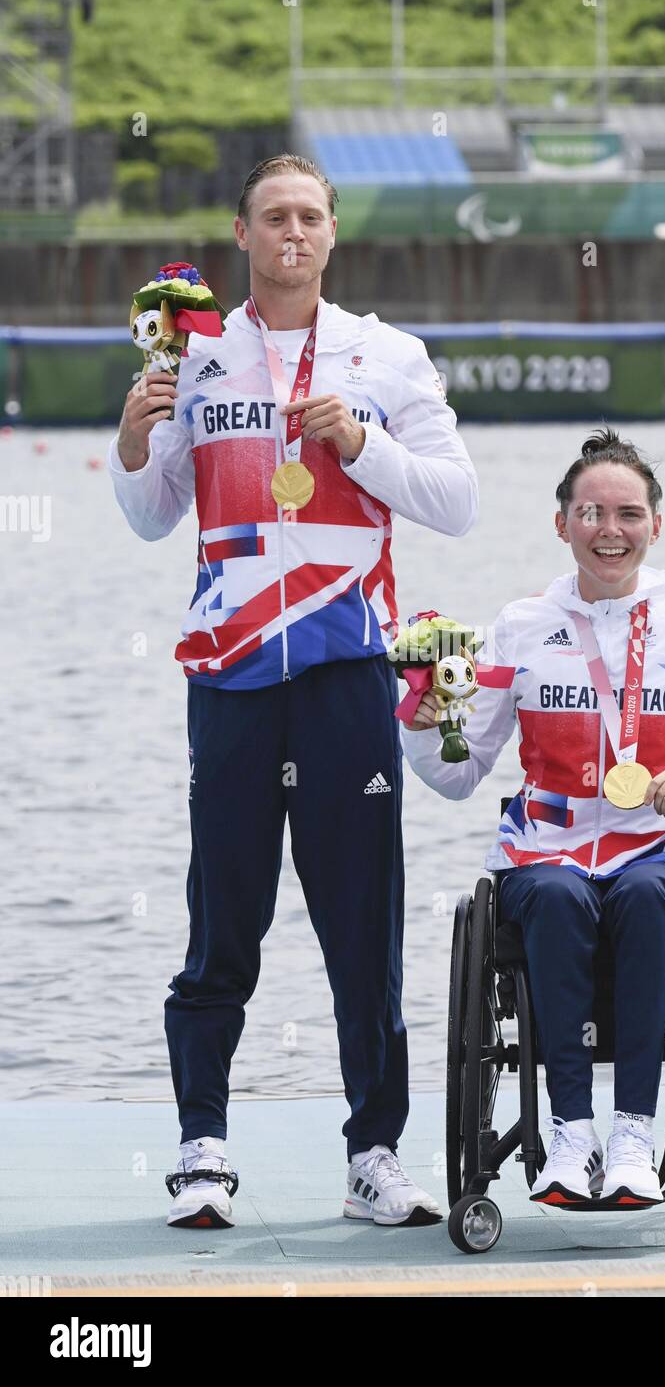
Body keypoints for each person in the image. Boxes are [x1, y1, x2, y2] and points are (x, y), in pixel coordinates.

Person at [108, 153, 478, 1229]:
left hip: (345, 674)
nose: (292, 234)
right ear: (239, 233)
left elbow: (456, 502)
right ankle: (203, 1148)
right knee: (223, 922)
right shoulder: (195, 350)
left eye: (309, 217)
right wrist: (132, 441)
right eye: (273, 217)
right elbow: (149, 514)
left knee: (361, 928)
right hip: (226, 678)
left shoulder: (385, 355)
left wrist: (357, 441)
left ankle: (373, 1154)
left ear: (330, 232)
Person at [399, 427, 665, 1207]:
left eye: (628, 514)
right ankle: (571, 1134)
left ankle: (633, 1131)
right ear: (561, 523)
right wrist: (425, 721)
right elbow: (459, 774)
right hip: (549, 853)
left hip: (657, 856)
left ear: (654, 527)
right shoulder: (519, 627)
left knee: (640, 896)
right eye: (591, 512)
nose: (610, 530)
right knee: (560, 897)